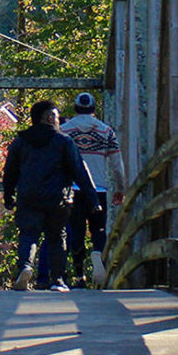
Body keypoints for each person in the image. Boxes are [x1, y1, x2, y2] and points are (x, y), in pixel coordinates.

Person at [2, 100, 99, 292]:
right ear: (49, 117)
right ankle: (58, 280)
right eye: (56, 115)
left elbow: (10, 171)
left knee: (28, 234)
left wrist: (8, 195)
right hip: (58, 199)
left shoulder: (20, 141)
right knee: (56, 237)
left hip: (28, 197)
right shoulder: (64, 141)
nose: (58, 119)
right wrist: (93, 199)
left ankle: (26, 267)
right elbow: (80, 170)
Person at [60, 92, 126, 286]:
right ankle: (98, 252)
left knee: (76, 230)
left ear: (75, 108)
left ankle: (79, 274)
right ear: (94, 109)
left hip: (73, 189)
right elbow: (117, 163)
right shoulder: (106, 131)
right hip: (99, 189)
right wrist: (120, 188)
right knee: (98, 228)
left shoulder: (65, 131)